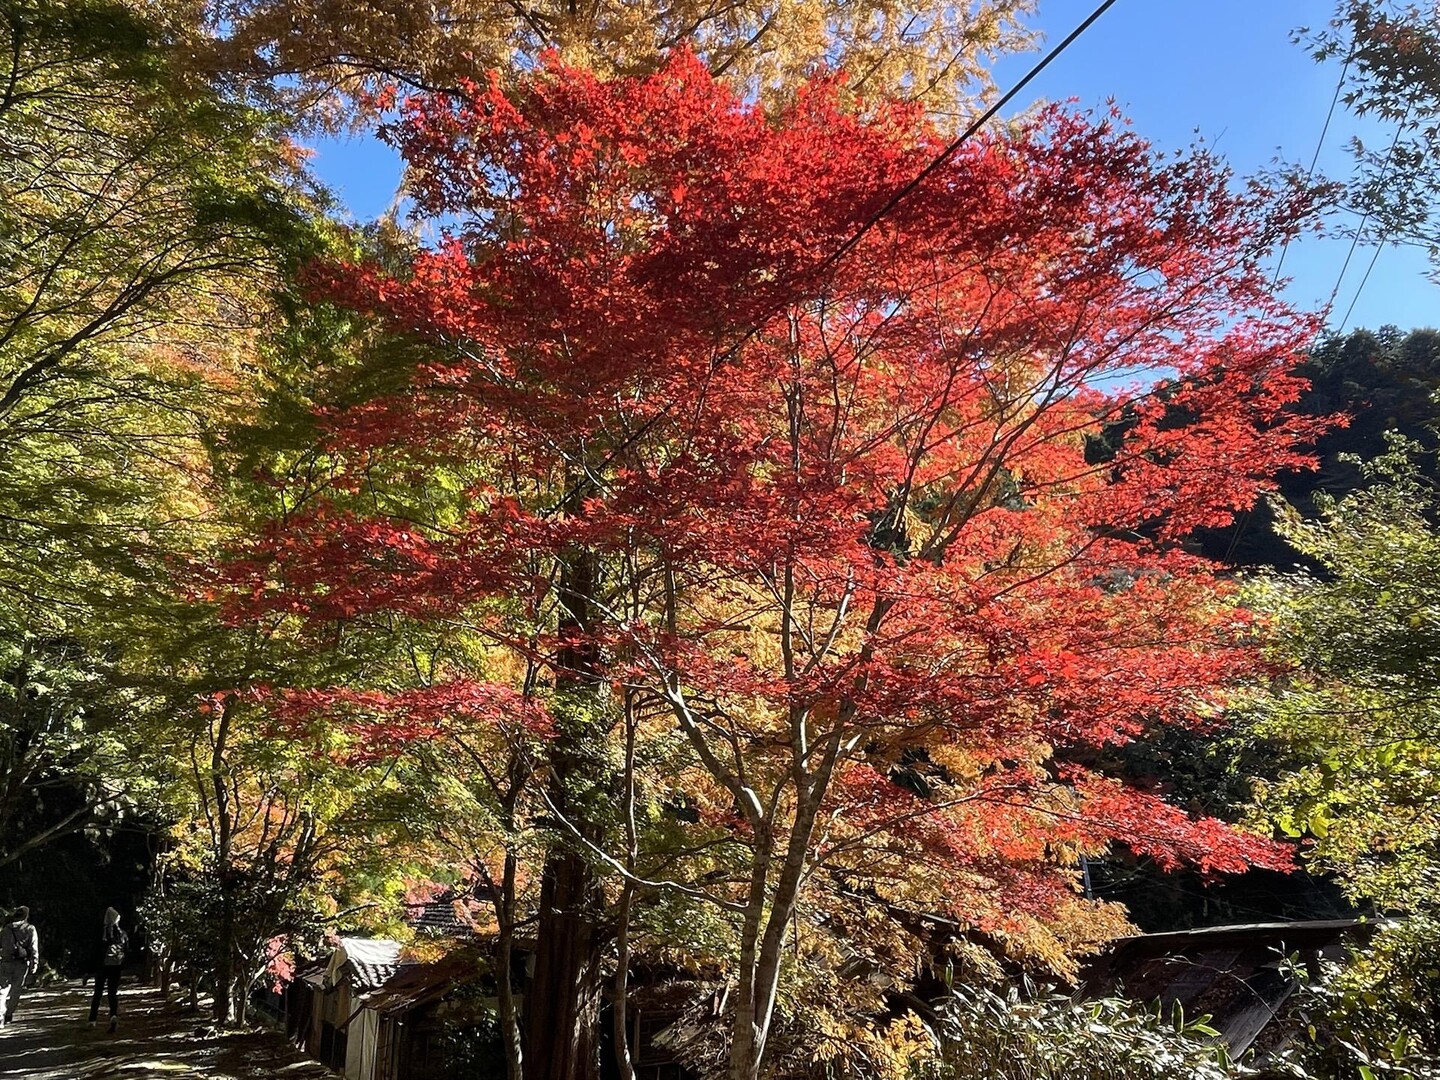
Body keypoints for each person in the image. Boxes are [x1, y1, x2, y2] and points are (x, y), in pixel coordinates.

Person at [89, 907, 127, 1032]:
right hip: (116, 967)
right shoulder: (122, 934)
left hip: (102, 966)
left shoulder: (102, 933)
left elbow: (95, 951)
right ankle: (113, 1016)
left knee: (98, 993)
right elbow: (127, 950)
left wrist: (90, 970)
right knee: (112, 993)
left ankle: (92, 1020)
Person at [0, 905, 39, 1026]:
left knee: (2, 991)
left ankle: (0, 1015)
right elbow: (34, 948)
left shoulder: (6, 929)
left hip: (5, 962)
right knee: (16, 991)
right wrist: (34, 963)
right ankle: (8, 1014)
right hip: (21, 964)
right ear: (26, 916)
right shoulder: (30, 929)